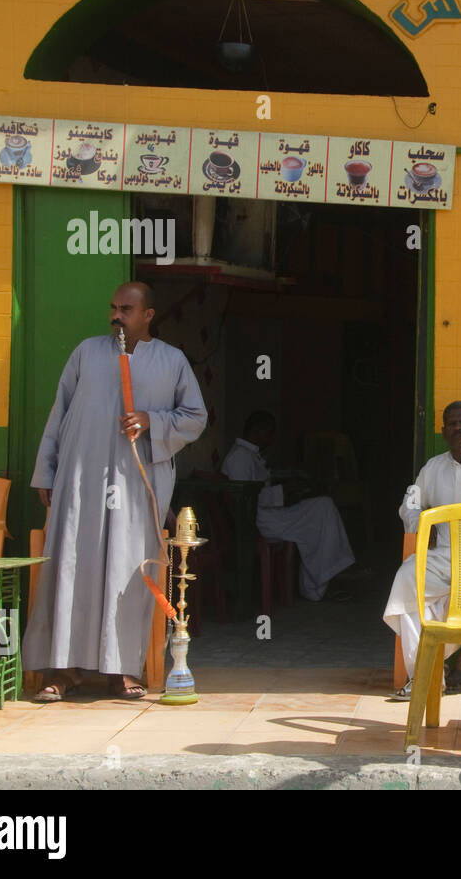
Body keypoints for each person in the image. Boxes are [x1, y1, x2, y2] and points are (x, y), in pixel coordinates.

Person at [25, 281, 207, 701]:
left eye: (126, 309)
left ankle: (121, 670)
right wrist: (45, 474)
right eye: (113, 308)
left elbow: (195, 418)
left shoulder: (172, 361)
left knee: (128, 570)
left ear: (148, 315)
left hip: (134, 487)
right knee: (73, 566)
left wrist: (151, 420)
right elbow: (60, 412)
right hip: (79, 483)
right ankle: (63, 671)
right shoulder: (86, 353)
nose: (116, 316)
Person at [382, 401, 461, 699]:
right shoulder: (434, 467)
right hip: (442, 556)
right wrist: (420, 524)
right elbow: (410, 503)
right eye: (451, 424)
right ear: (442, 432)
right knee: (407, 582)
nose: (458, 428)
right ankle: (425, 676)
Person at [221, 411, 357, 601]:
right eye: (269, 434)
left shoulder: (249, 455)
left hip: (269, 514)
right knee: (323, 508)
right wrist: (283, 493)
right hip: (261, 520)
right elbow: (245, 497)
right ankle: (323, 581)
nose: (271, 439)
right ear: (257, 431)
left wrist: (285, 492)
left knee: (322, 506)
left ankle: (321, 580)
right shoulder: (239, 458)